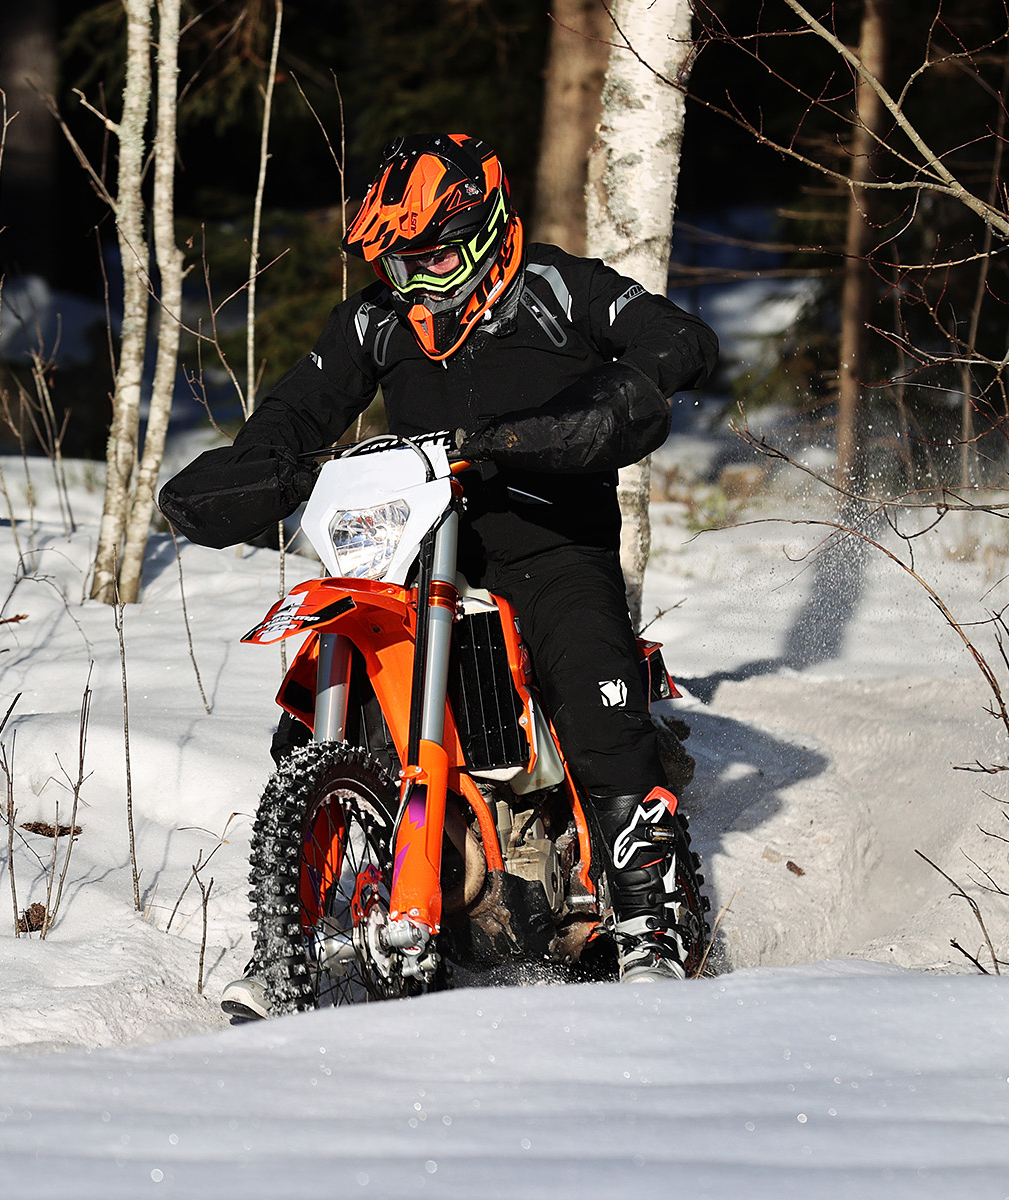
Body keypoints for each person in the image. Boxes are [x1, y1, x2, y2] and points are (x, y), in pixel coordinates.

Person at [160, 133, 719, 998]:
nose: (417, 282)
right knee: (311, 712)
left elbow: (675, 338)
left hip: (548, 541)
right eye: (399, 264)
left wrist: (609, 403)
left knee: (590, 682)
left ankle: (651, 923)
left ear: (490, 225)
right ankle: (297, 930)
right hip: (418, 548)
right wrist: (256, 474)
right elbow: (290, 415)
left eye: (433, 258)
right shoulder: (373, 320)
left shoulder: (559, 287)